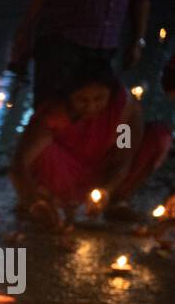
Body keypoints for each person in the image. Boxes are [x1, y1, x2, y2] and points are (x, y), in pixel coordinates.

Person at [11, 62, 171, 226]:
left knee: (158, 137)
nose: (91, 107)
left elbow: (124, 155)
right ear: (68, 96)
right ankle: (49, 202)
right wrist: (33, 203)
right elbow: (20, 164)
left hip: (104, 171)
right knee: (42, 151)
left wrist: (106, 190)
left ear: (110, 94)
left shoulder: (123, 110)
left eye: (99, 98)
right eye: (82, 100)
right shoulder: (55, 115)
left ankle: (117, 202)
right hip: (65, 175)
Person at [9, 0, 152, 109]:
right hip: (62, 41)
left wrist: (138, 41)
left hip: (105, 45)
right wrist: (25, 31)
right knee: (52, 109)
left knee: (94, 111)